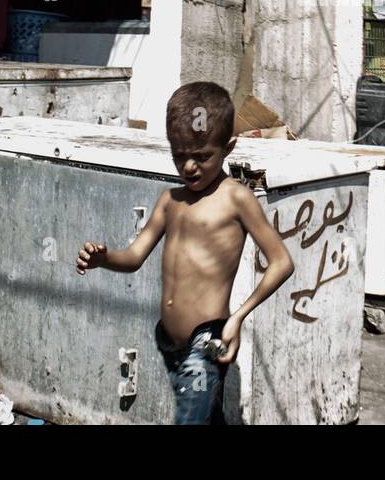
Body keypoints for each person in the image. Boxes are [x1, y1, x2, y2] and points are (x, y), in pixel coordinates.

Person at [74, 82, 294, 424]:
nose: (189, 166)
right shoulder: (170, 201)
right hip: (169, 343)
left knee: (190, 419)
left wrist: (237, 317)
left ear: (228, 147)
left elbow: (281, 262)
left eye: (202, 156)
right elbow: (133, 258)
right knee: (206, 417)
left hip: (205, 342)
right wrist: (104, 259)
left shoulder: (235, 198)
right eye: (180, 155)